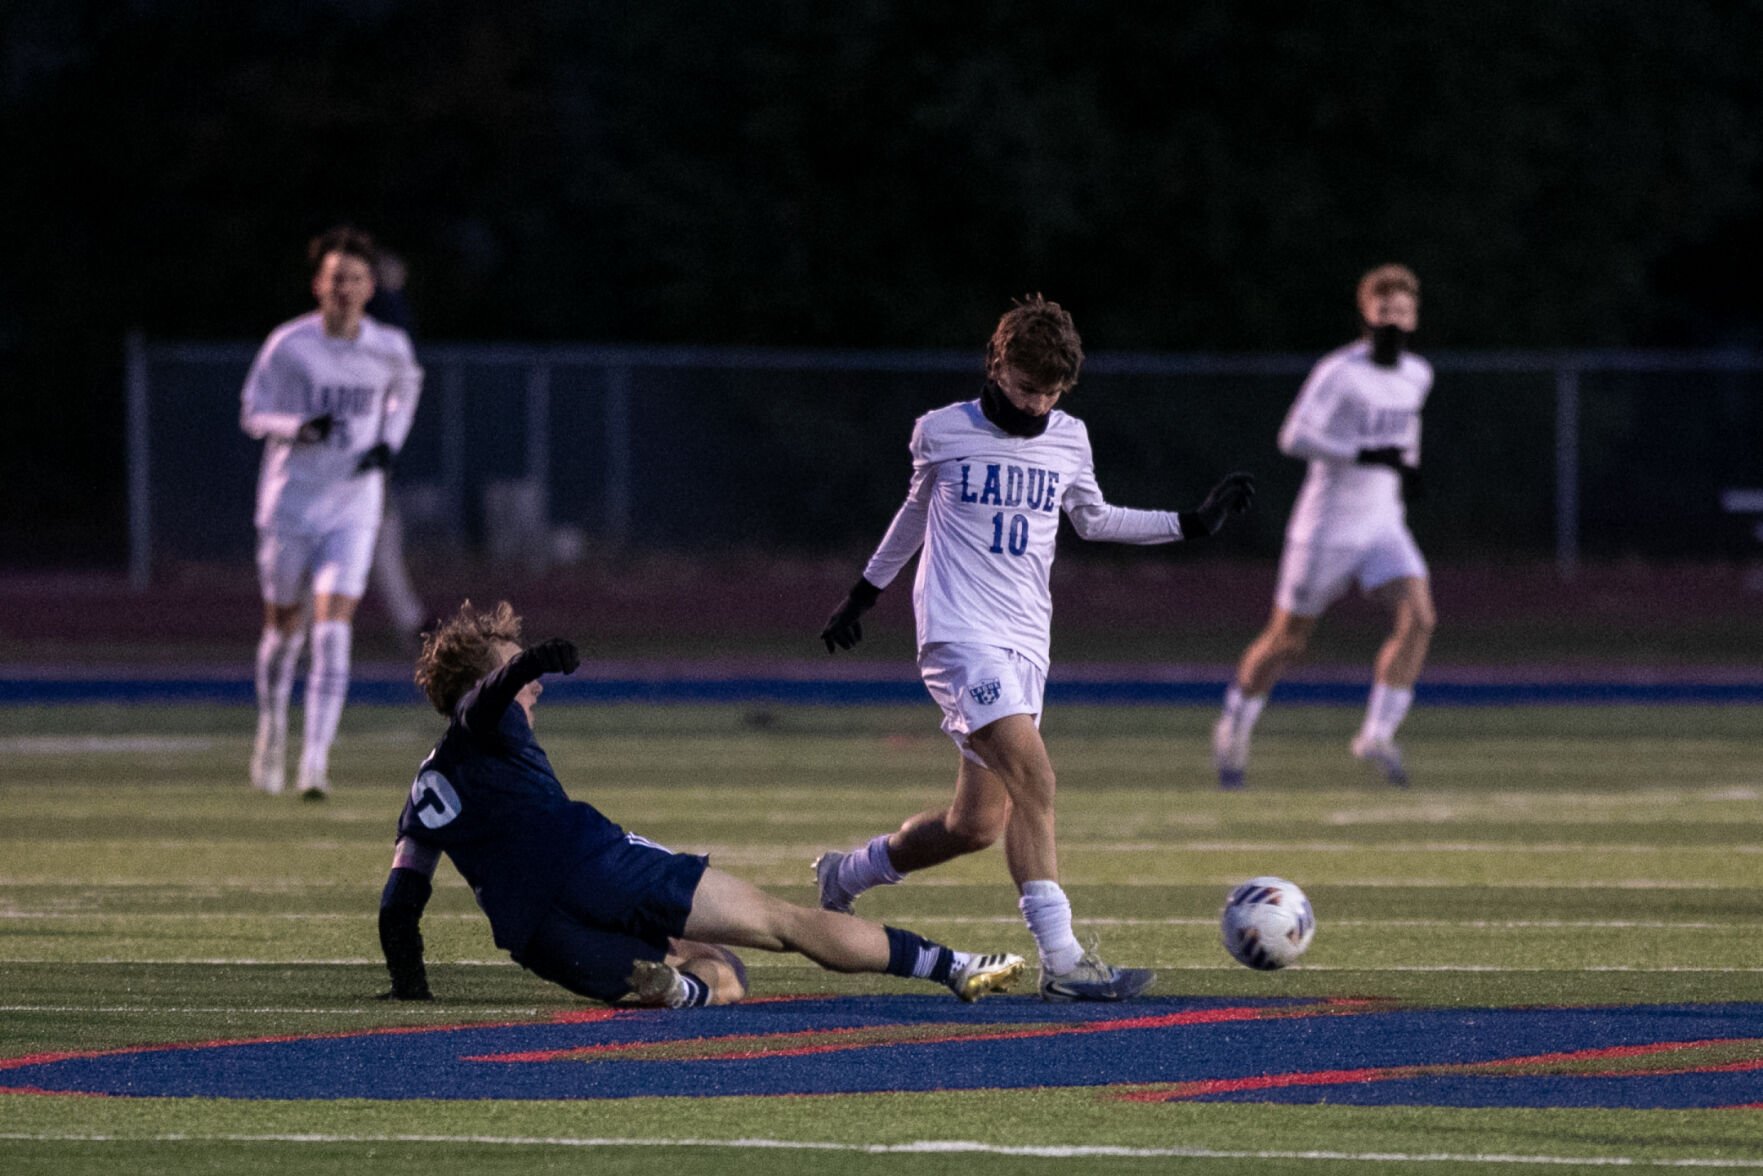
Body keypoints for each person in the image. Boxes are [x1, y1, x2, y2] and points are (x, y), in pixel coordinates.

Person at [814, 295, 1256, 1002]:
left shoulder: (1068, 437)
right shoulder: (941, 430)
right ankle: (1064, 961)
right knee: (1037, 782)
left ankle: (847, 874)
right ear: (997, 365)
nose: (1035, 405)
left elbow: (1094, 517)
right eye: (1025, 389)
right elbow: (913, 513)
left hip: (1025, 640)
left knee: (974, 826)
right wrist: (864, 593)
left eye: (1050, 393)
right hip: (960, 639)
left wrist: (1193, 523)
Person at [376, 600, 1027, 1008]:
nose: (535, 683)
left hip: (538, 935)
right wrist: (525, 664)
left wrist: (409, 986)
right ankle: (954, 966)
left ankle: (684, 989)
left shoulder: (425, 786)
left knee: (718, 972)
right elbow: (488, 698)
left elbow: (401, 900)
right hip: (590, 861)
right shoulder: (483, 717)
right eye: (521, 672)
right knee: (785, 924)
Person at [1211, 263, 1434, 789]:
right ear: (1366, 314)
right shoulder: (1340, 371)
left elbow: (1407, 431)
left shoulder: (1418, 373)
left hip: (1383, 523)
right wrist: (1362, 453)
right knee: (1288, 641)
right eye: (1384, 311)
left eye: (1402, 312)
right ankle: (1236, 724)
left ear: (1415, 317)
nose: (1394, 321)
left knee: (1420, 617)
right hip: (1327, 528)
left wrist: (1409, 464)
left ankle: (1377, 734)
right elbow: (1293, 437)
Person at [241, 226, 424, 799]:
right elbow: (252, 411)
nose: (344, 287)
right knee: (284, 633)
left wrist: (388, 441)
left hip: (353, 506)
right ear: (318, 284)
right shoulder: (289, 344)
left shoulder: (388, 347)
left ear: (370, 287)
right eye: (335, 277)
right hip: (291, 505)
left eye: (355, 278)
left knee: (333, 630)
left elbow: (408, 389)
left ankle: (314, 762)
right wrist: (295, 428)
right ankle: (272, 729)